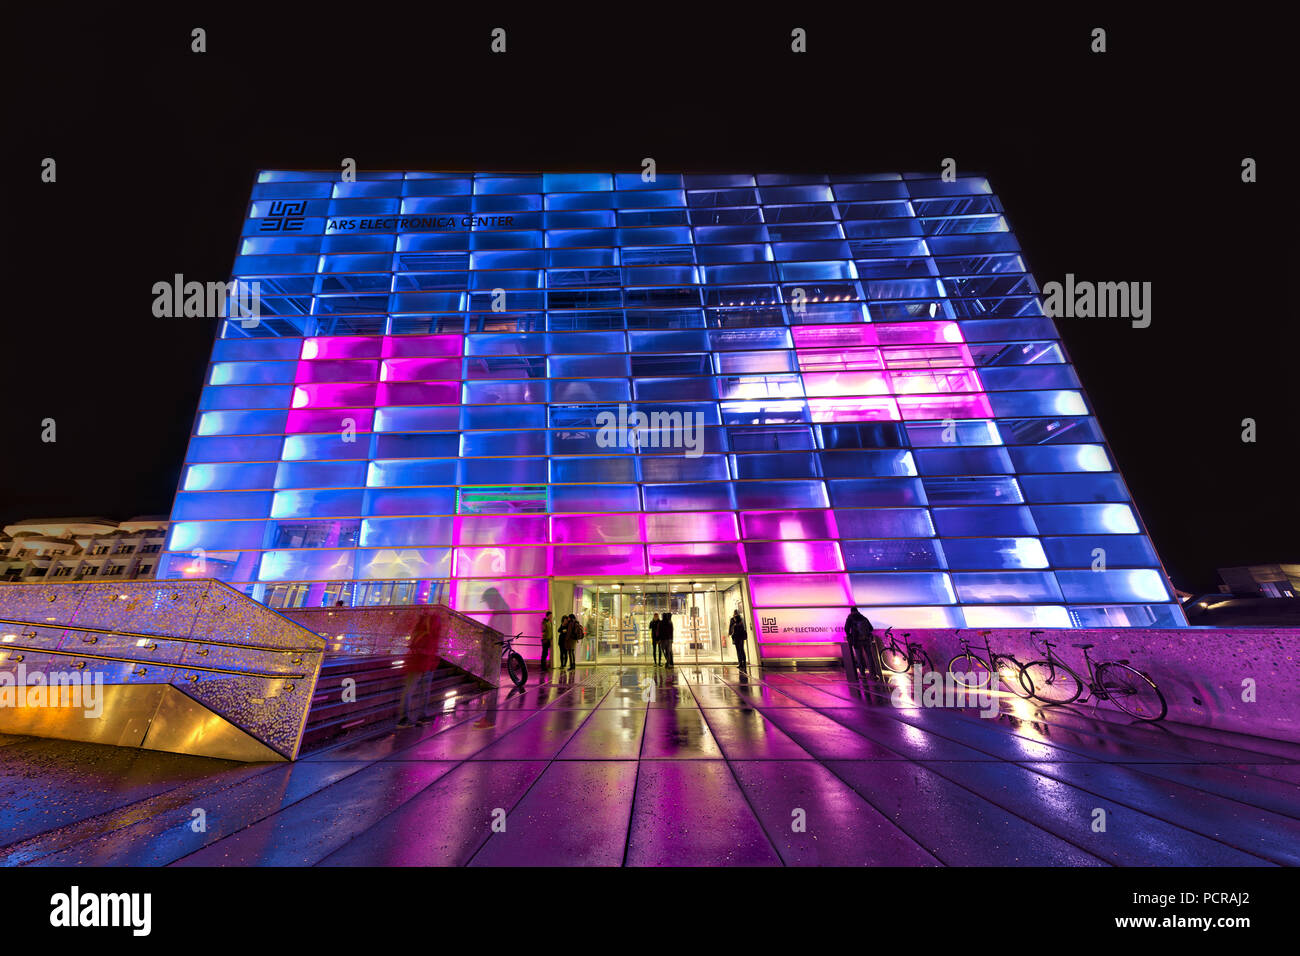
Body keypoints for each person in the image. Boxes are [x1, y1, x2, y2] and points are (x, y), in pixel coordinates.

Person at [398, 611, 441, 726]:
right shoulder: (429, 631)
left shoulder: (423, 631)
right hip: (421, 664)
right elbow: (428, 650)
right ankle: (407, 718)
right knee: (416, 690)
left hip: (423, 664)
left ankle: (411, 717)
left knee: (417, 690)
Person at [844, 606, 875, 680]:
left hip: (857, 640)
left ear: (851, 611)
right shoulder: (863, 617)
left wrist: (850, 635)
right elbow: (871, 628)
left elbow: (846, 629)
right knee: (869, 656)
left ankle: (862, 674)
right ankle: (873, 674)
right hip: (866, 640)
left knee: (859, 657)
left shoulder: (850, 618)